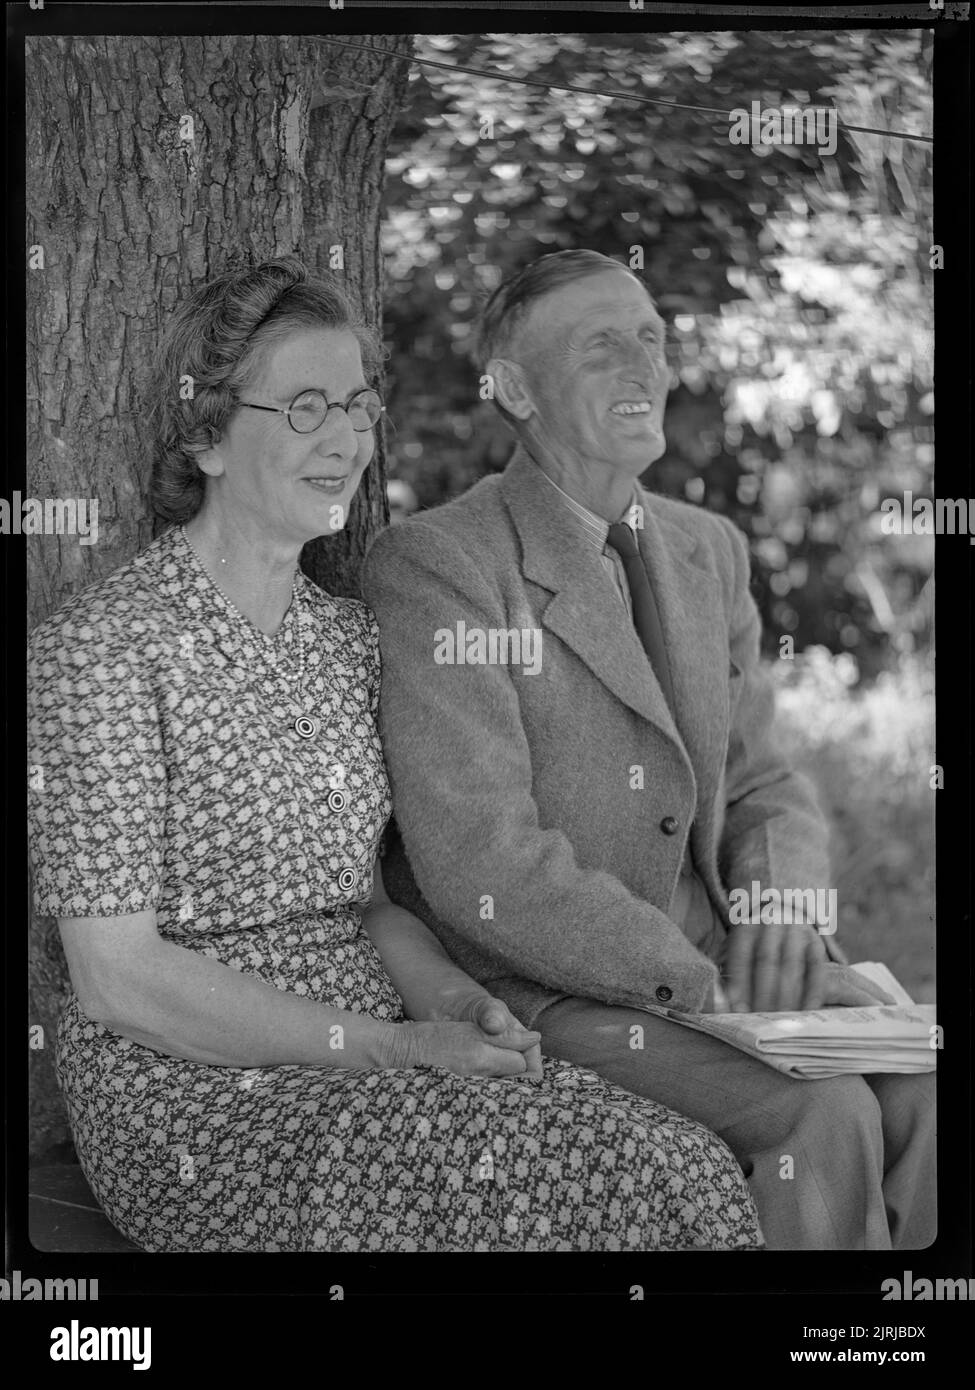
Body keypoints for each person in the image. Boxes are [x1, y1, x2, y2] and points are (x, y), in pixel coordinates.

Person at [27, 255, 764, 1253]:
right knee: (633, 1186)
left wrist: (458, 1005)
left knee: (681, 1166)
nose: (343, 440)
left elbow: (370, 904)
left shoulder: (353, 640)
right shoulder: (100, 647)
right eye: (303, 409)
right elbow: (118, 978)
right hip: (200, 1099)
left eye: (357, 406)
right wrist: (390, 1046)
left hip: (381, 1048)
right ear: (207, 436)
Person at [362, 249, 937, 1251]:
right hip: (555, 985)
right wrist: (706, 984)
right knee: (826, 1111)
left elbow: (763, 782)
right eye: (601, 346)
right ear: (517, 391)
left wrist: (782, 915)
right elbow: (478, 857)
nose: (644, 367)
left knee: (931, 1085)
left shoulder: (708, 546)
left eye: (652, 339)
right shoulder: (440, 564)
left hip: (722, 967)